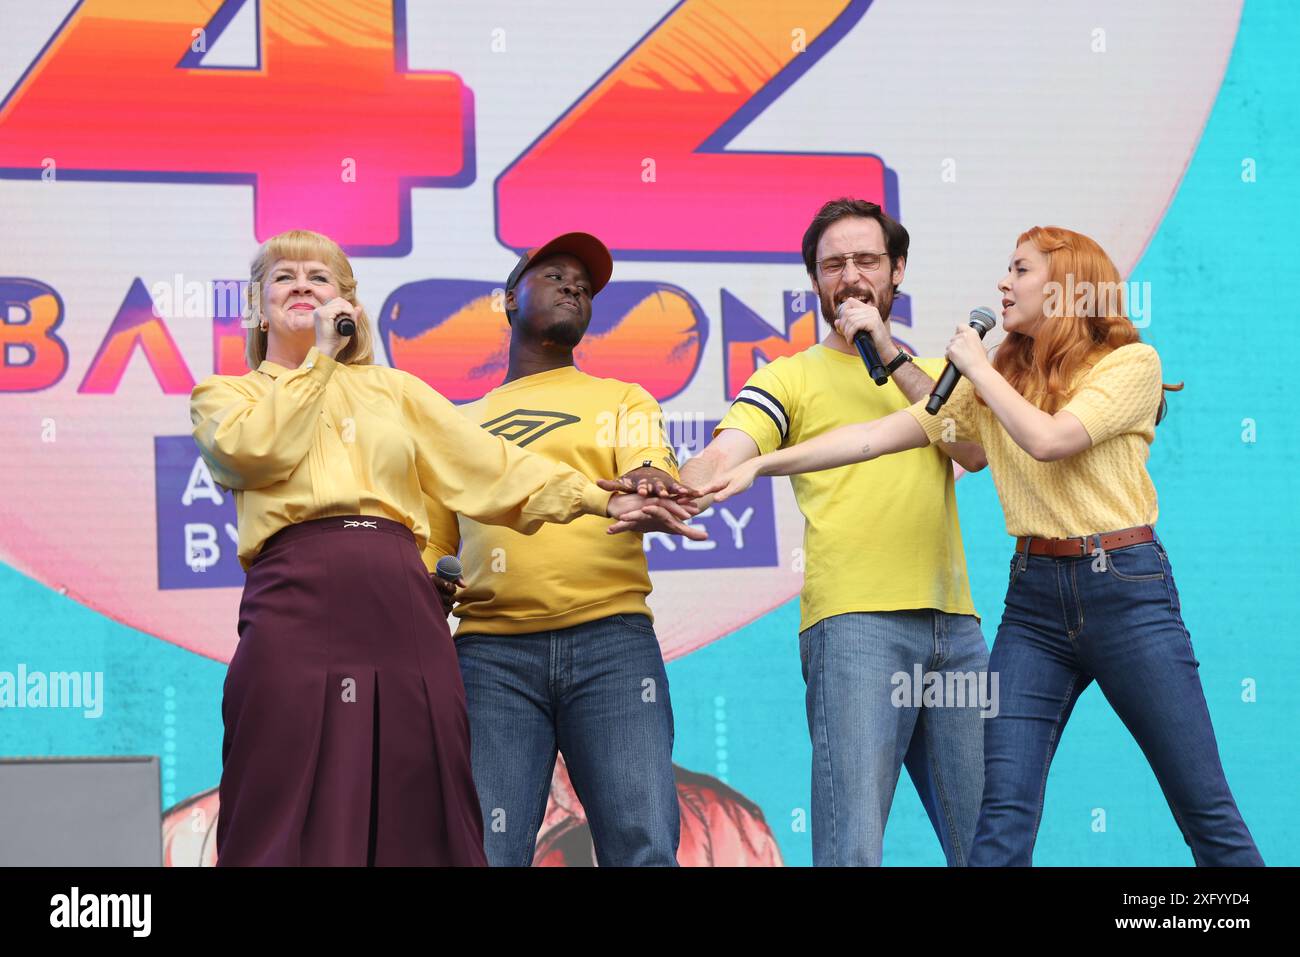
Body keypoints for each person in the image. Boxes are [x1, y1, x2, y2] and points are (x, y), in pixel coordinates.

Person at [704, 225, 1264, 866]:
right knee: (997, 820)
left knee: (1203, 807)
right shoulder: (999, 378)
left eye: (1020, 270)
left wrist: (972, 367)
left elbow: (1051, 439)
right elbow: (879, 434)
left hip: (1124, 589)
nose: (1003, 281)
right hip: (1034, 605)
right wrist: (761, 465)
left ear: (1065, 288)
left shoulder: (1129, 365)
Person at [189, 229, 680, 866]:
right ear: (257, 307)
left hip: (402, 608)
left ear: (350, 304)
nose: (304, 284)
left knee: (417, 808)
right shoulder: (224, 396)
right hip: (294, 602)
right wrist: (318, 361)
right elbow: (256, 451)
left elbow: (492, 468)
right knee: (279, 797)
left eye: (322, 277)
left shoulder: (396, 393)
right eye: (285, 277)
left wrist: (599, 499)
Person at [620, 199, 991, 866]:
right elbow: (728, 448)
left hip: (955, 630)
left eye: (866, 261)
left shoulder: (940, 370)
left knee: (993, 843)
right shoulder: (788, 376)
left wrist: (884, 346)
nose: (850, 277)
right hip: (855, 628)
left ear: (897, 271)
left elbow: (970, 449)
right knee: (852, 847)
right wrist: (684, 481)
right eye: (833, 265)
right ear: (816, 282)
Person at [431, 232, 700, 866]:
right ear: (508, 301)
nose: (574, 286)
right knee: (487, 854)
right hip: (489, 659)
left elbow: (646, 463)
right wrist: (430, 580)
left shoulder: (622, 399)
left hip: (612, 646)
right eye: (553, 275)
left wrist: (653, 478)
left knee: (644, 849)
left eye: (584, 284)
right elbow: (437, 543)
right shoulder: (457, 422)